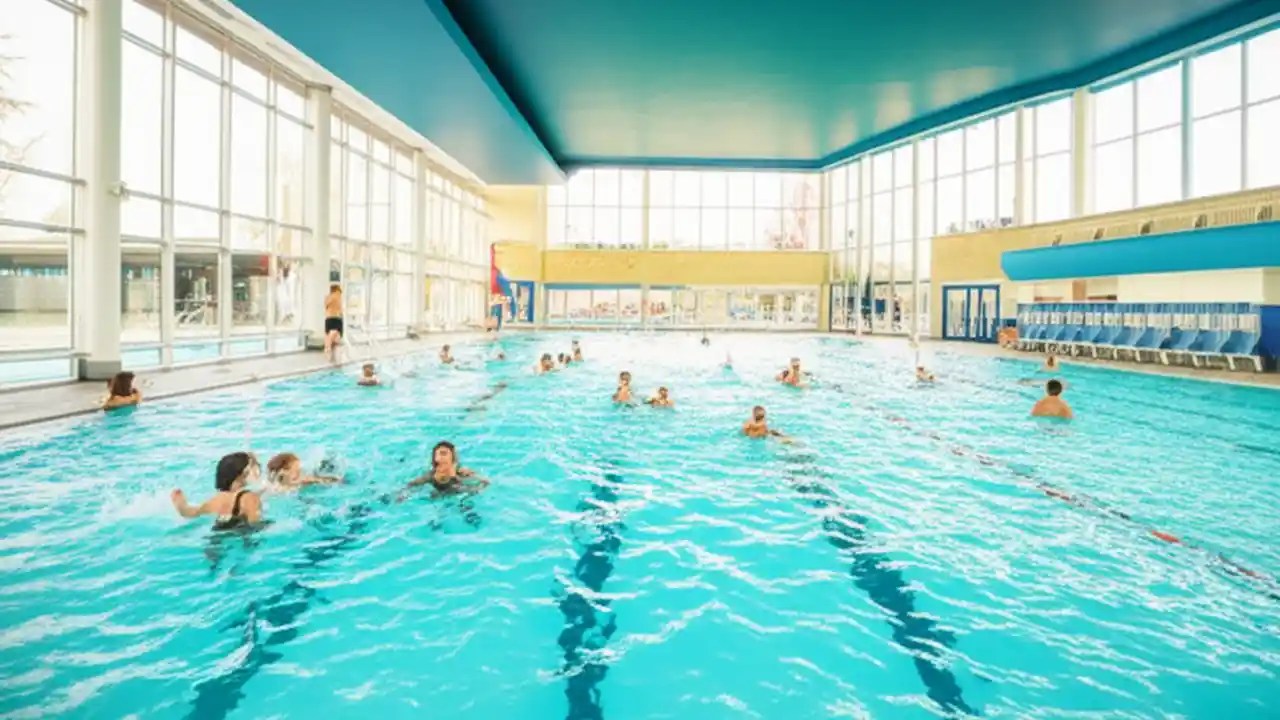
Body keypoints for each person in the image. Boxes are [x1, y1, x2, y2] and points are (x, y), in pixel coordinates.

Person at [170, 452, 265, 529]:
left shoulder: (214, 501)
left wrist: (180, 505)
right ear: (242, 474)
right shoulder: (250, 498)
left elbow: (188, 513)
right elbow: (256, 525)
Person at [407, 441, 488, 497]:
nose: (440, 458)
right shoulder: (430, 476)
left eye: (444, 454)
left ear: (453, 458)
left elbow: (486, 483)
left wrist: (473, 476)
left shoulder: (461, 472)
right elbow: (409, 486)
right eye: (438, 455)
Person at [265, 452, 342, 490]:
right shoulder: (271, 488)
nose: (299, 473)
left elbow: (319, 480)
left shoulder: (299, 480)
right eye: (296, 471)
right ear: (283, 472)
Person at [324, 283, 343, 362]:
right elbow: (341, 309)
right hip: (337, 318)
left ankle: (329, 351)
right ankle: (334, 355)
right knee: (337, 337)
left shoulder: (327, 297)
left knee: (329, 336)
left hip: (328, 318)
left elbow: (325, 307)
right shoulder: (338, 296)